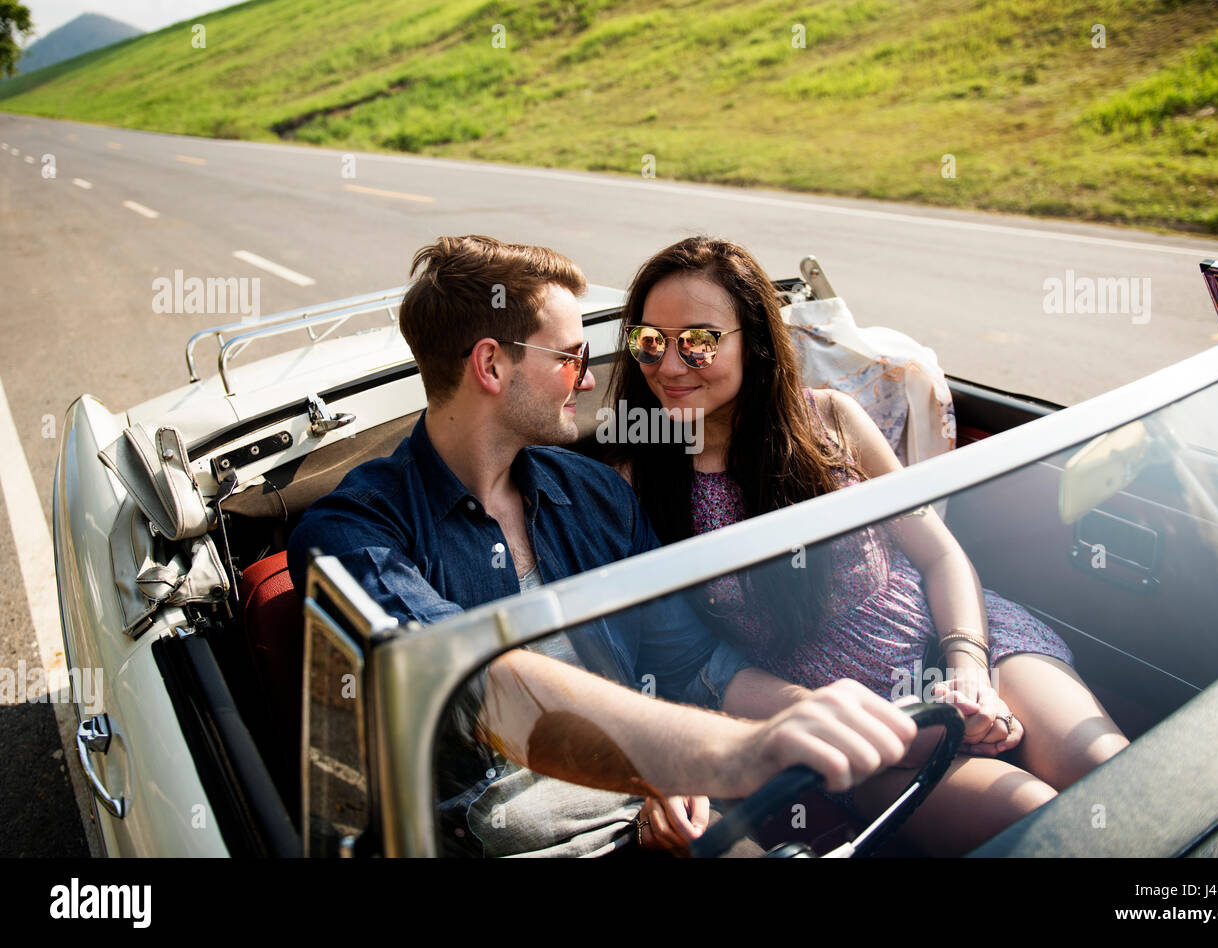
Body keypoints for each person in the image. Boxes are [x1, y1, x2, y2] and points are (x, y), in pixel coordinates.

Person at [287, 235, 920, 858]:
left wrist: (826, 717)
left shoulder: (594, 495)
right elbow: (472, 679)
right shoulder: (352, 533)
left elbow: (694, 663)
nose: (589, 382)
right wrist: (729, 753)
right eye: (569, 357)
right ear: (491, 365)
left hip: (654, 819)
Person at [606, 236, 1131, 856]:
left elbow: (938, 553)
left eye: (698, 341)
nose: (668, 365)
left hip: (962, 639)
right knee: (1036, 821)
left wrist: (967, 673)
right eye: (649, 341)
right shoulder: (636, 482)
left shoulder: (831, 420)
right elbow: (671, 657)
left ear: (756, 340)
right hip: (844, 722)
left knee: (1116, 778)